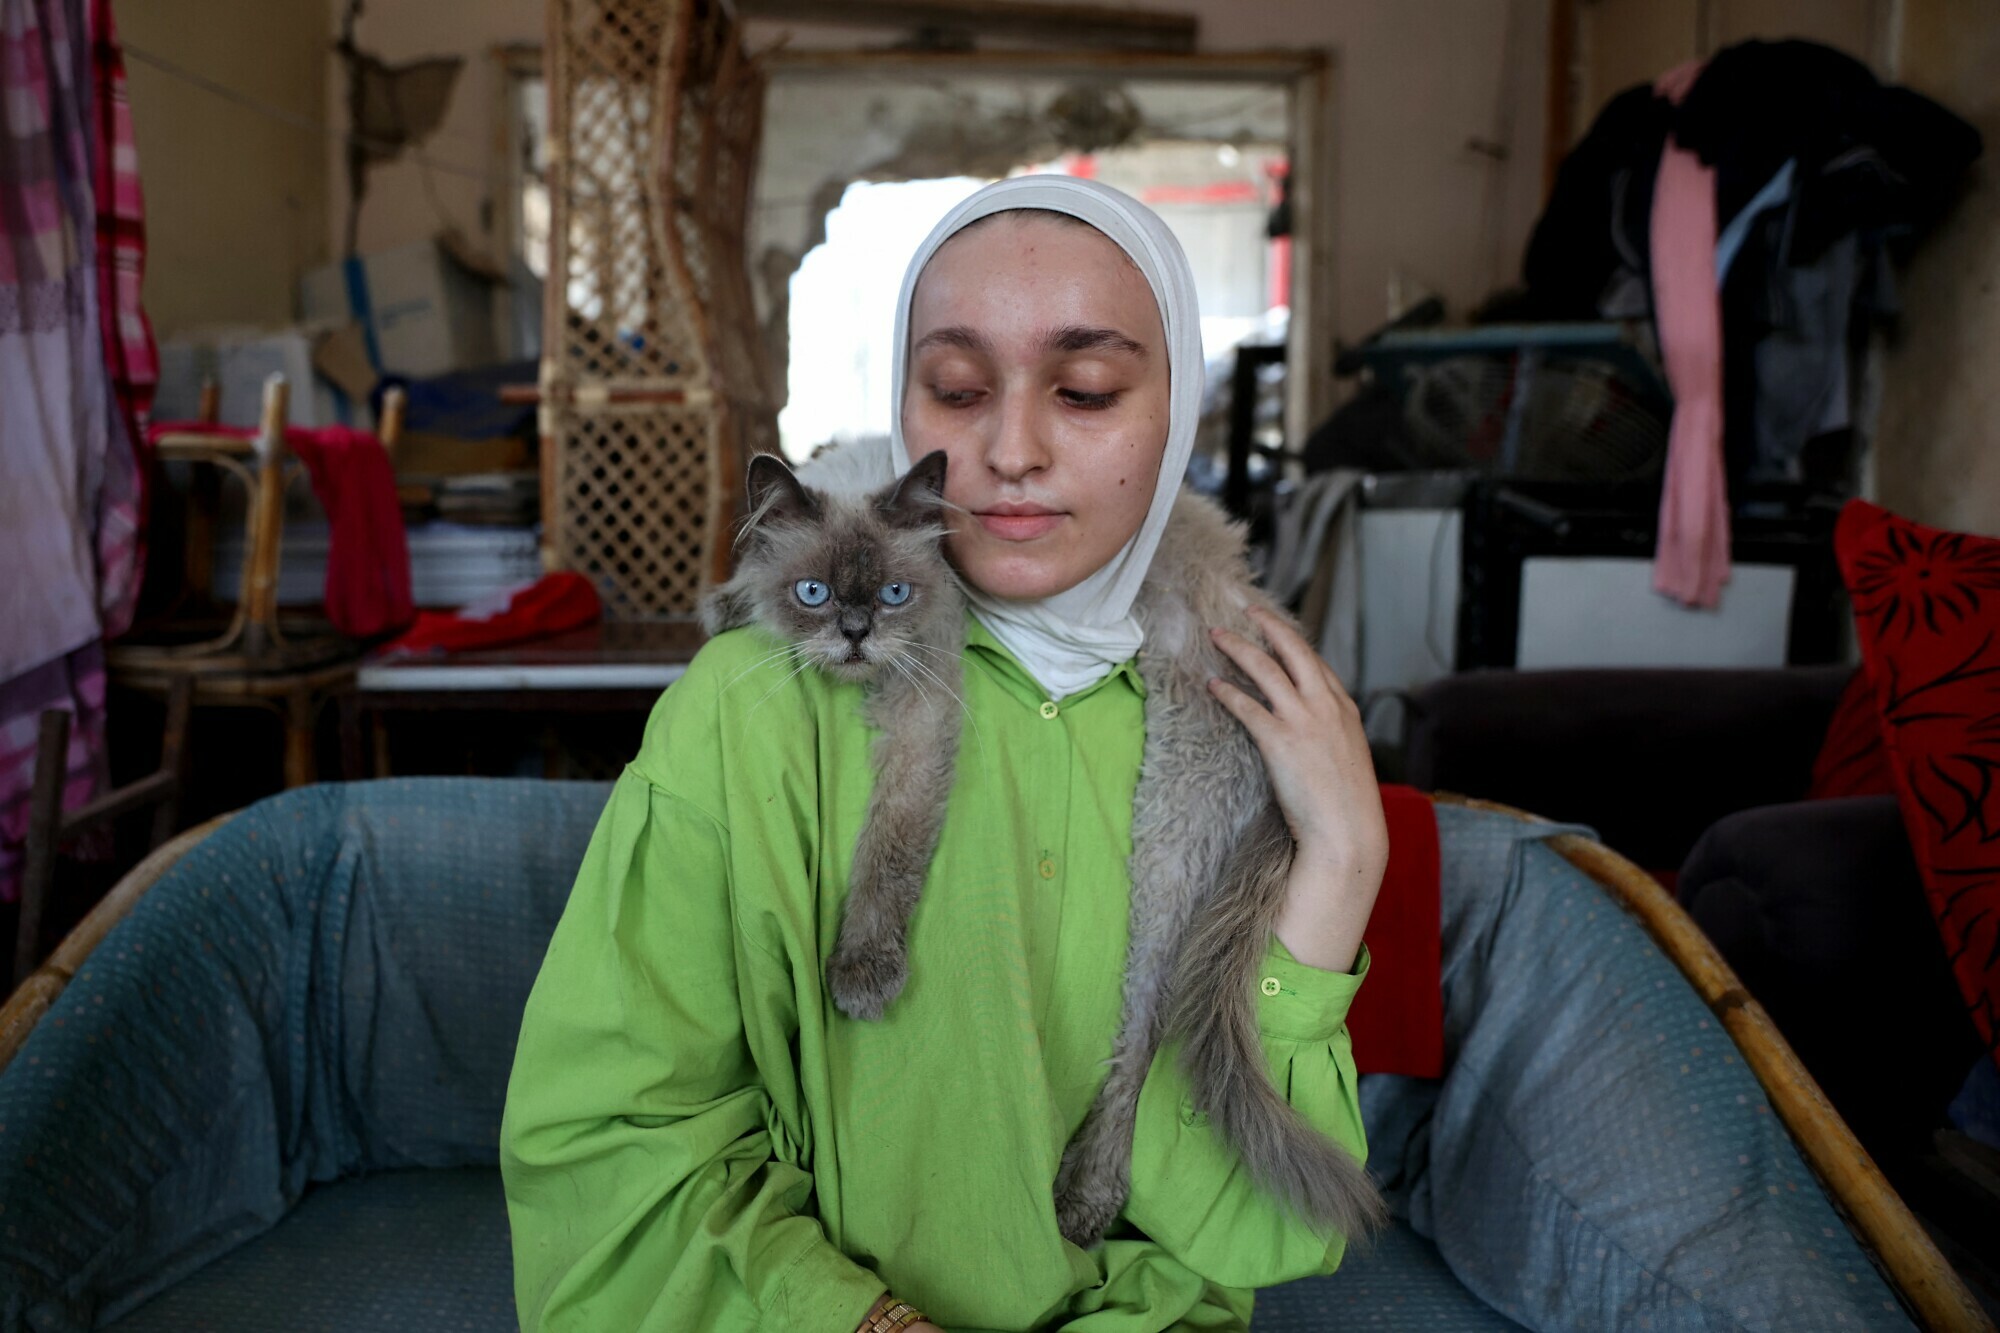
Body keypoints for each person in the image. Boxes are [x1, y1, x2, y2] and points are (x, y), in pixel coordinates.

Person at [500, 176, 1389, 1332]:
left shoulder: (1243, 721)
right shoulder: (756, 705)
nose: (1010, 450)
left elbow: (1257, 1229)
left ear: (1177, 415)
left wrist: (1341, 855)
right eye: (957, 388)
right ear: (903, 401)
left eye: (1084, 390)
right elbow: (611, 1147)